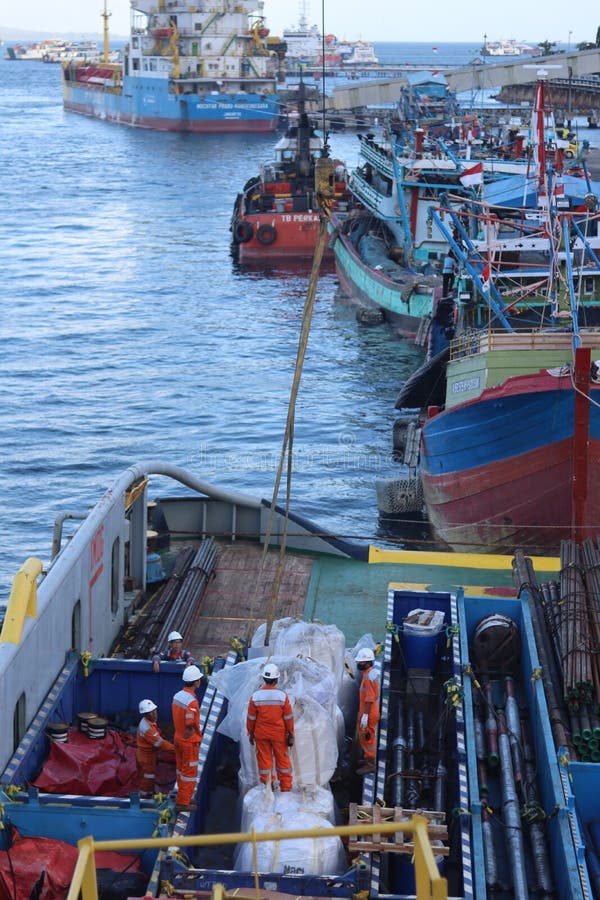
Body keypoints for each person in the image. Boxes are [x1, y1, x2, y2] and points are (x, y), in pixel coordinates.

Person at [246, 663, 295, 792]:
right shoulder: (282, 696)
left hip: (261, 734)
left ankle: (269, 784)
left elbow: (251, 718)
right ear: (277, 679)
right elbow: (288, 717)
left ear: (264, 679)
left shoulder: (255, 696)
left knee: (264, 760)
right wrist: (291, 733)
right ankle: (286, 787)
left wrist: (250, 733)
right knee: (283, 760)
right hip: (279, 734)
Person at [171, 664, 203, 810]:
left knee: (180, 769)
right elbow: (190, 720)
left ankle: (184, 795)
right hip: (188, 741)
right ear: (195, 682)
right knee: (189, 772)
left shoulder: (177, 696)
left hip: (177, 737)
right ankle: (183, 802)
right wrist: (190, 730)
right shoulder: (192, 701)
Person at [136, 699, 174, 798]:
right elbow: (161, 744)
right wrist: (176, 749)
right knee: (147, 778)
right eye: (151, 713)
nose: (154, 714)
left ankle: (148, 793)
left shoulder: (149, 722)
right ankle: (144, 799)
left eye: (154, 711)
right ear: (145, 714)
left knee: (149, 777)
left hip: (149, 755)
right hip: (146, 757)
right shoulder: (147, 728)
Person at [355, 647, 380, 775]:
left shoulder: (369, 676)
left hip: (369, 712)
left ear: (368, 662)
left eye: (361, 662)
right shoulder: (369, 673)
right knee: (365, 736)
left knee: (367, 737)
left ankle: (370, 764)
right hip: (368, 711)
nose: (359, 664)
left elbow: (370, 698)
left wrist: (365, 715)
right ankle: (367, 758)